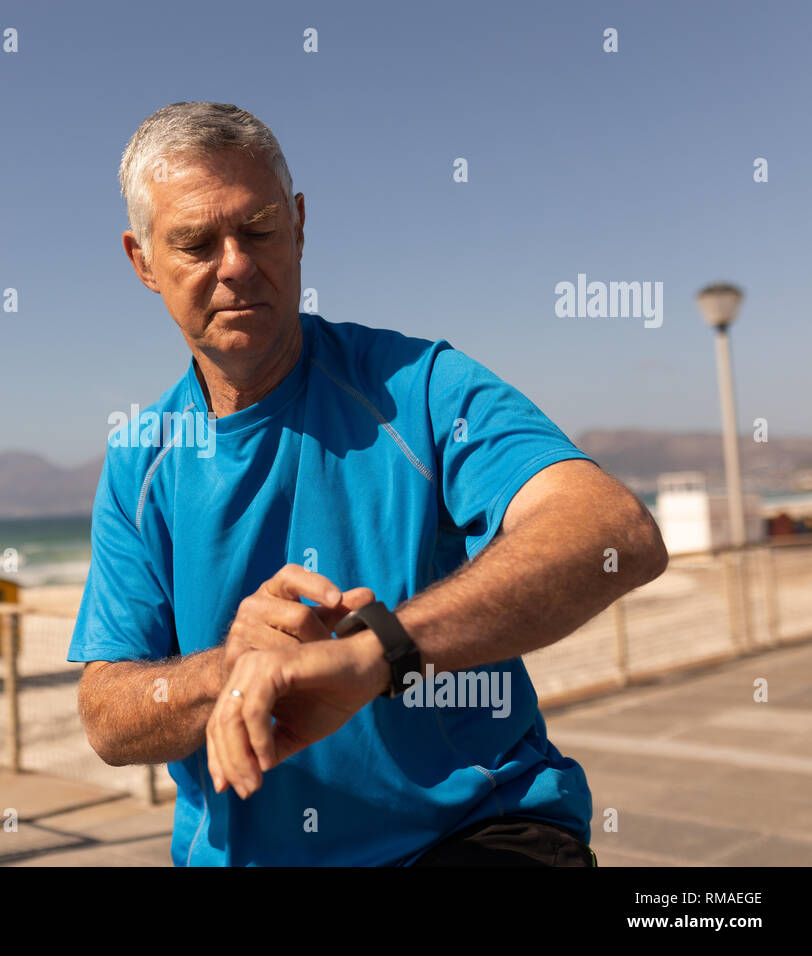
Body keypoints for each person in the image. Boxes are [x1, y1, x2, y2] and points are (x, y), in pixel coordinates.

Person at [68, 101, 668, 866]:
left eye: (259, 229)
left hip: (472, 834)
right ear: (142, 260)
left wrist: (378, 653)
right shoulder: (139, 462)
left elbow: (613, 532)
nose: (236, 264)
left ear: (300, 225)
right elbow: (107, 714)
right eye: (194, 242)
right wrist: (236, 668)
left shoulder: (417, 388)